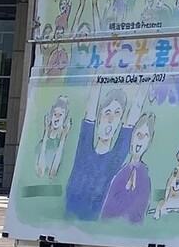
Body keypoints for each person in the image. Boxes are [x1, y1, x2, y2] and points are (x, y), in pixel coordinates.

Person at [63, 83, 147, 220]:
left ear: (120, 122)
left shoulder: (116, 156)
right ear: (99, 117)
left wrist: (147, 79)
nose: (110, 119)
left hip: (93, 222)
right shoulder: (84, 148)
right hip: (68, 219)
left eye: (117, 114)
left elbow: (135, 110)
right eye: (107, 113)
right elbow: (91, 105)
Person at [100, 113, 157, 223]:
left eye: (145, 136)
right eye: (138, 134)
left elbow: (138, 210)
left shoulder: (144, 176)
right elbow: (108, 205)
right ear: (132, 137)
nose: (140, 138)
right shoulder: (122, 171)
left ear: (149, 142)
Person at [35, 96, 72, 179]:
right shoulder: (41, 144)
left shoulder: (63, 147)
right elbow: (39, 172)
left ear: (65, 117)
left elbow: (53, 173)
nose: (57, 118)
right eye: (55, 114)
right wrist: (46, 134)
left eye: (61, 115)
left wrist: (63, 138)